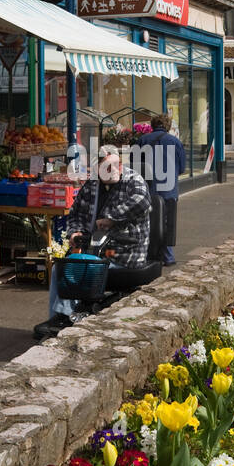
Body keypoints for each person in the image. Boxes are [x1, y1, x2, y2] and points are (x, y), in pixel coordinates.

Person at [34, 145, 151, 338]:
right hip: (93, 249)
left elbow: (142, 201)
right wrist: (75, 232)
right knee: (60, 268)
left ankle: (65, 317)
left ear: (120, 165)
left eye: (114, 166)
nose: (111, 171)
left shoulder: (133, 181)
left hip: (123, 251)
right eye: (105, 168)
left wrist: (111, 218)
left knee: (77, 268)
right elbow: (76, 214)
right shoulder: (92, 185)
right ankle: (60, 317)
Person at [136, 114, 184, 265]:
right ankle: (168, 256)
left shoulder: (142, 140)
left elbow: (135, 165)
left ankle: (148, 254)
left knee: (147, 221)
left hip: (148, 188)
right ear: (168, 126)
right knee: (168, 222)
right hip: (169, 189)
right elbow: (182, 168)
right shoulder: (175, 142)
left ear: (152, 125)